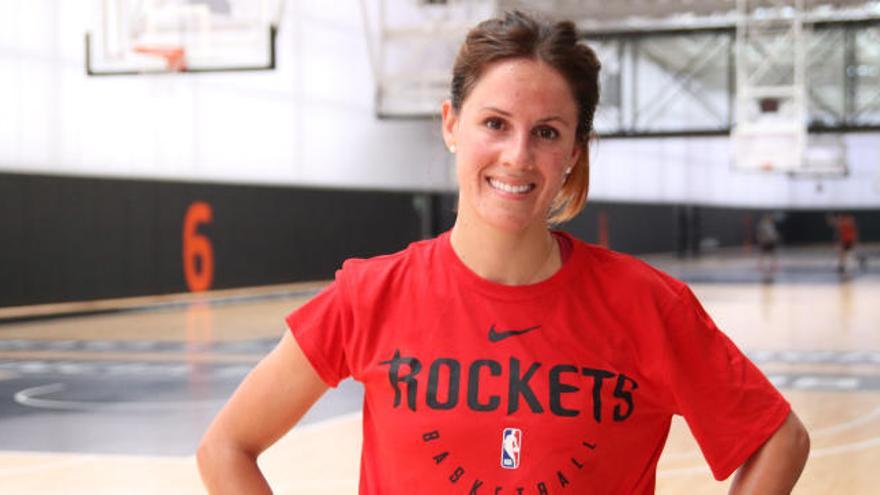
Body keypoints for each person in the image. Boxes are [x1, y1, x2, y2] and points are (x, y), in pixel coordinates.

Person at [197, 11, 809, 494]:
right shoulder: (371, 295)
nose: (517, 155)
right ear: (451, 125)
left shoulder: (647, 305)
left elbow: (778, 440)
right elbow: (226, 448)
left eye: (547, 132)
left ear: (574, 150)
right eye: (495, 123)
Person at [755, 213, 780, 277]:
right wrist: (761, 240)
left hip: (770, 241)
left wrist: (775, 238)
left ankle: (774, 266)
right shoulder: (762, 225)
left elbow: (773, 233)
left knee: (772, 254)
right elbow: (760, 234)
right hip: (765, 242)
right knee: (763, 254)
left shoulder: (771, 225)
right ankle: (760, 266)